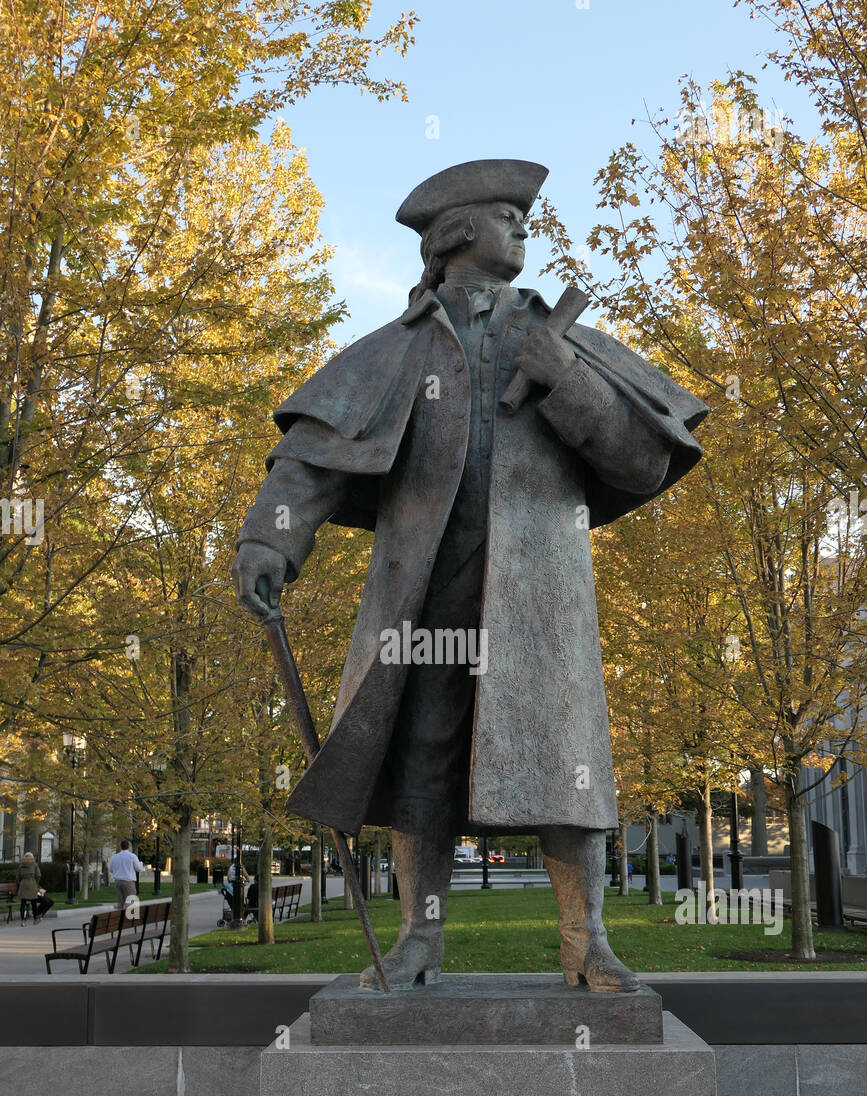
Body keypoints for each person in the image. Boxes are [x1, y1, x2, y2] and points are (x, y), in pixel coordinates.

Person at [234, 158, 708, 993]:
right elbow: (309, 459)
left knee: (564, 757)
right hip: (425, 590)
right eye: (504, 216)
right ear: (455, 235)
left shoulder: (563, 344)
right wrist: (270, 543)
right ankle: (419, 938)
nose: (523, 227)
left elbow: (640, 462)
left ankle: (586, 940)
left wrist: (563, 379)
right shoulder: (394, 352)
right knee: (422, 752)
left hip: (538, 590)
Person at [108, 840, 144, 910]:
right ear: (128, 847)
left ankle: (120, 918)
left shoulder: (115, 857)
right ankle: (129, 919)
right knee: (130, 902)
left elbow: (111, 869)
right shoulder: (132, 856)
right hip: (128, 881)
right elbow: (138, 868)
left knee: (120, 902)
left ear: (121, 847)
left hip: (118, 881)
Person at [16, 852, 40, 922]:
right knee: (34, 903)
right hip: (32, 884)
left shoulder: (21, 865)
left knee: (23, 904)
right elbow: (38, 875)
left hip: (23, 884)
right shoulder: (35, 865)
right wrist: (36, 882)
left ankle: (22, 920)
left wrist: (21, 882)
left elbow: (17, 877)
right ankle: (35, 919)